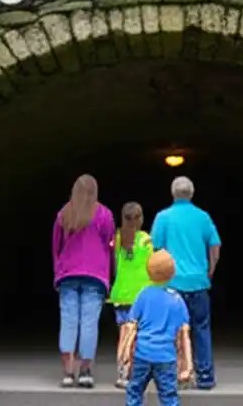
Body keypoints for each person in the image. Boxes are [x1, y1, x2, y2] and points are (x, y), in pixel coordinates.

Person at [150, 176, 221, 390]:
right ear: (192, 193)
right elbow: (215, 246)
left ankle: (174, 375)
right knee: (201, 328)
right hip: (198, 282)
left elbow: (155, 250)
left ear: (173, 193)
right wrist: (210, 269)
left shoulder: (163, 217)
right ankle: (205, 376)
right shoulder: (203, 217)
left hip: (172, 283)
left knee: (171, 331)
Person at [51, 174, 115, 388]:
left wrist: (58, 270)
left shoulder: (64, 214)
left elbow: (56, 246)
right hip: (95, 275)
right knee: (89, 322)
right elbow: (109, 245)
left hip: (68, 274)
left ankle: (68, 373)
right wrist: (110, 274)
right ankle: (86, 370)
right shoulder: (104, 214)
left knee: (68, 320)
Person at [116, 250, 194, 406]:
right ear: (172, 272)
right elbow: (183, 334)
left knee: (134, 393)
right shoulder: (177, 300)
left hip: (142, 354)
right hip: (166, 356)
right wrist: (187, 365)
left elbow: (131, 324)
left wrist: (124, 354)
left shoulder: (143, 295)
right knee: (168, 397)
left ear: (149, 271)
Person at [108, 202, 154, 389]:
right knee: (140, 337)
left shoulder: (116, 239)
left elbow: (114, 266)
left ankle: (122, 373)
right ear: (141, 218)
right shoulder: (147, 240)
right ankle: (136, 373)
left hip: (121, 294)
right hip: (142, 296)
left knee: (125, 335)